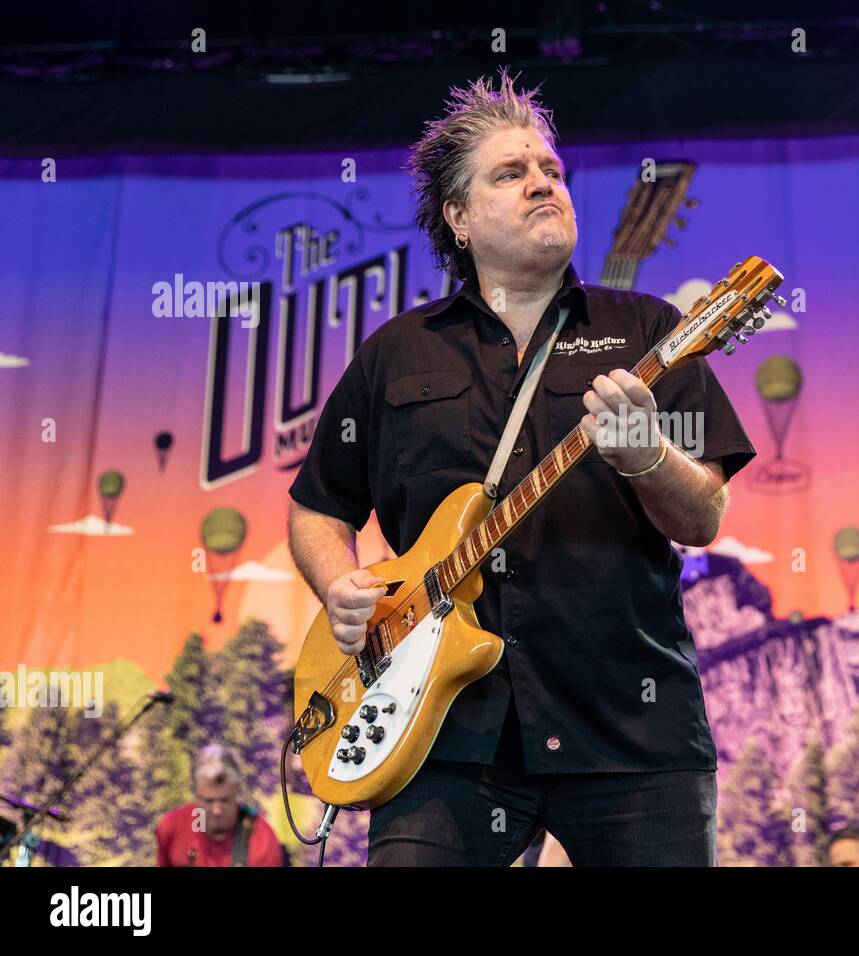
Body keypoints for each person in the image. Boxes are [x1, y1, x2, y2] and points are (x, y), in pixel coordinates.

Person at [287, 68, 755, 866]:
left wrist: (647, 458)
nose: (543, 183)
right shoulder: (397, 352)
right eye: (512, 173)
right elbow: (318, 505)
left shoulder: (650, 331)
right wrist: (340, 585)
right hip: (439, 733)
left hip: (629, 728)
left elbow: (703, 517)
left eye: (551, 171)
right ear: (460, 218)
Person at [156, 744, 285, 867]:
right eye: (208, 801)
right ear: (194, 794)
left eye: (224, 800)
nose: (216, 810)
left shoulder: (262, 839)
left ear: (237, 791)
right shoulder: (171, 827)